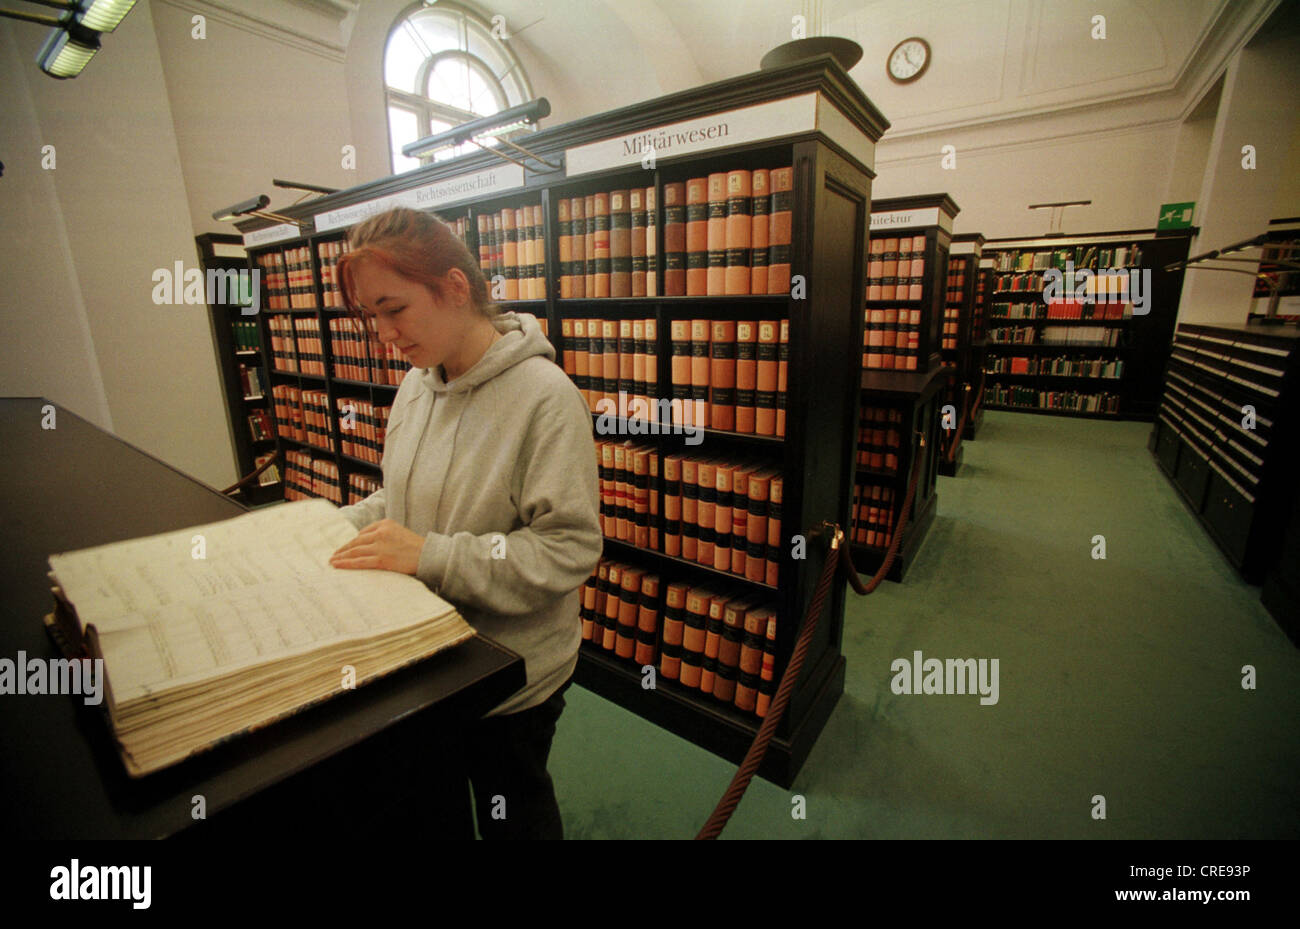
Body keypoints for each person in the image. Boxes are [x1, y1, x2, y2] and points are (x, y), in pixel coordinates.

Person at [327, 206, 601, 839]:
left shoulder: (546, 397)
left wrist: (431, 556)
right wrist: (331, 525)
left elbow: (567, 549)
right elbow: (402, 499)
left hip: (510, 674)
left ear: (454, 287)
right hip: (426, 661)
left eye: (394, 309)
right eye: (370, 315)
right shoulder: (416, 385)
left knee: (516, 813)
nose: (383, 334)